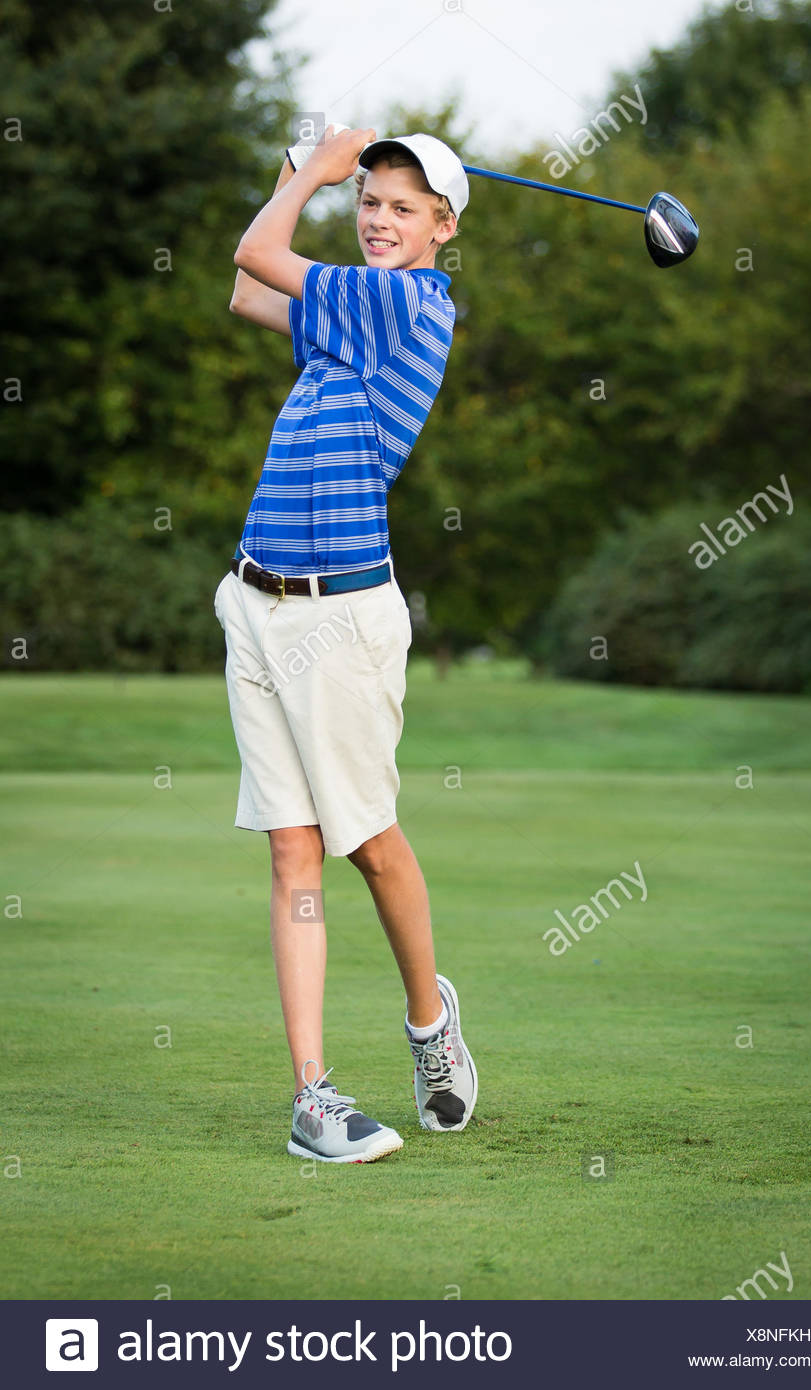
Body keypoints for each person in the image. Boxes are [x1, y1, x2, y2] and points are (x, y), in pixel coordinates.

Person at [214, 123, 477, 1163]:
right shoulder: (339, 325)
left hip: (341, 617)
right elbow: (248, 296)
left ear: (441, 229)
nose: (377, 218)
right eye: (368, 200)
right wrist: (297, 172)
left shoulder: (403, 302)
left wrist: (310, 173)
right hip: (255, 597)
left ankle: (428, 1025)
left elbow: (254, 256)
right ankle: (312, 1099)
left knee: (367, 844)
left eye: (402, 208)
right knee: (292, 853)